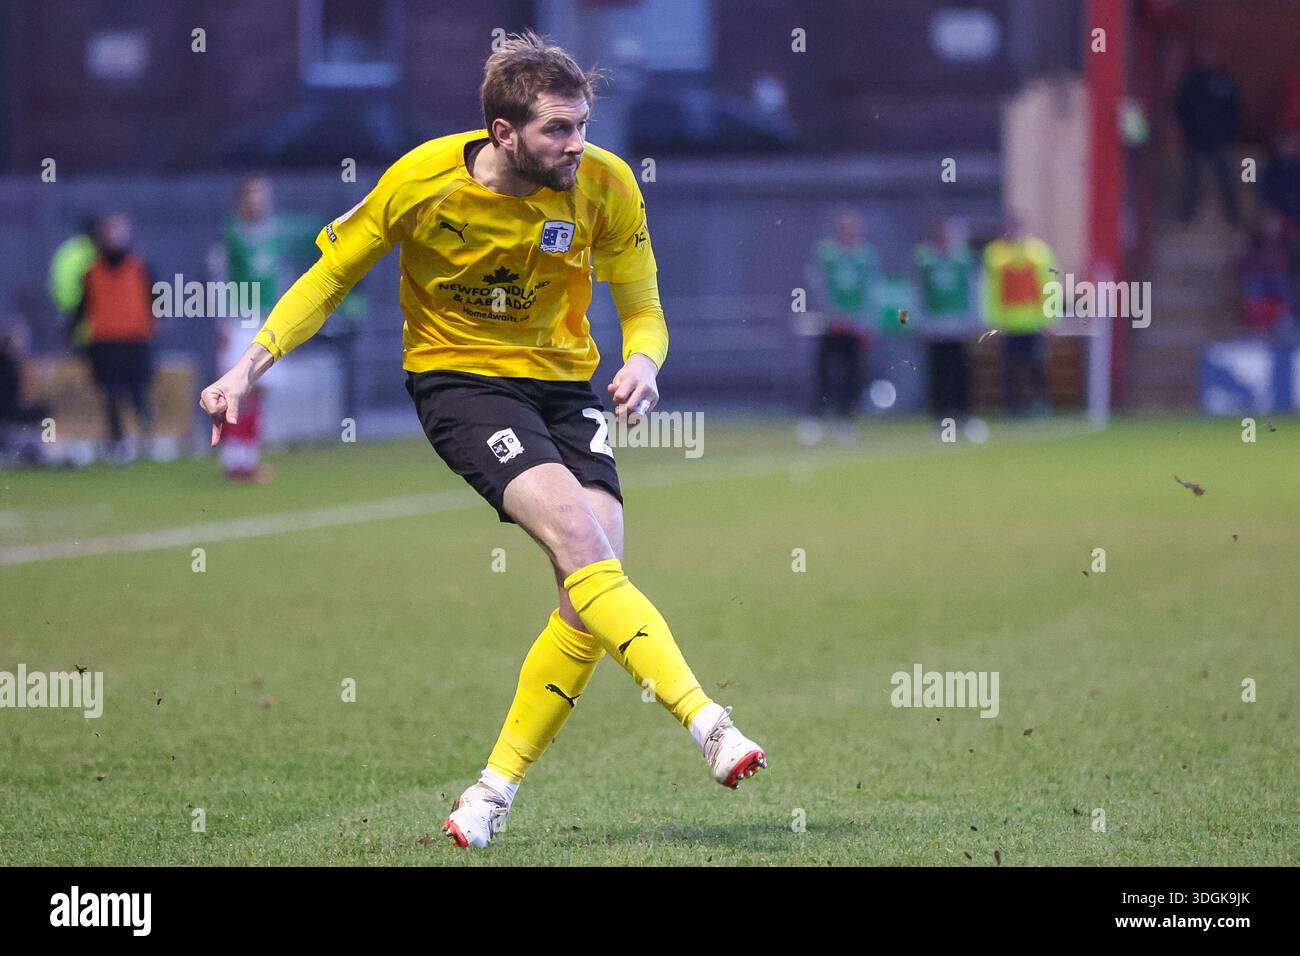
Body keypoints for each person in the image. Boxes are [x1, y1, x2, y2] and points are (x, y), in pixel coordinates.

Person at [198, 30, 766, 849]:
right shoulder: (419, 182)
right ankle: (707, 722)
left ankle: (491, 791)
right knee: (579, 536)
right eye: (558, 131)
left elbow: (643, 305)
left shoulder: (604, 187)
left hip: (565, 388)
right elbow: (329, 277)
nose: (578, 145)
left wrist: (644, 362)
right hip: (461, 383)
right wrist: (249, 367)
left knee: (591, 578)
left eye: (582, 126)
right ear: (504, 134)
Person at [217, 176, 289, 483]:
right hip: (242, 318)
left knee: (260, 390)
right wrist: (223, 322)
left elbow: (283, 277)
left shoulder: (276, 234)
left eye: (263, 194)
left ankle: (248, 457)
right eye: (253, 195)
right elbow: (219, 279)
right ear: (242, 201)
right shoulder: (232, 235)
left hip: (268, 319)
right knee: (240, 389)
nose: (259, 201)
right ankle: (235, 459)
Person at [78, 213, 158, 463]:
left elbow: (155, 299)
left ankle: (148, 441)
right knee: (111, 396)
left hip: (135, 340)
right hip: (105, 341)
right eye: (111, 232)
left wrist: (157, 320)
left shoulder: (140, 267)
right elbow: (83, 306)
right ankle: (118, 445)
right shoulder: (92, 272)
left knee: (139, 393)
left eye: (120, 232)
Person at [799, 209, 877, 443]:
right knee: (825, 372)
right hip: (831, 323)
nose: (849, 232)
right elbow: (816, 283)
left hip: (855, 326)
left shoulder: (866, 255)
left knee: (853, 375)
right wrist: (833, 314)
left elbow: (871, 289)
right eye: (845, 228)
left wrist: (864, 320)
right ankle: (816, 418)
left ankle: (846, 420)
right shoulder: (826, 253)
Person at [981, 216, 1057, 415]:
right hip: (1008, 323)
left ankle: (1040, 402)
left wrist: (1050, 320)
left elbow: (1049, 286)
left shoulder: (1038, 253)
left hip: (1034, 322)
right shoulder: (995, 255)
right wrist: (992, 323)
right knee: (1010, 369)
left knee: (1036, 365)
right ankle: (1013, 406)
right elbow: (991, 291)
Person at [914, 218, 977, 420]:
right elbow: (915, 293)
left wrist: (975, 320)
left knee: (960, 371)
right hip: (934, 325)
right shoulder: (924, 258)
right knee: (937, 372)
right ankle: (940, 415)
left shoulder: (962, 259)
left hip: (957, 325)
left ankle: (962, 413)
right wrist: (913, 321)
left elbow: (972, 291)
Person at [1175, 42, 1241, 225]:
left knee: (1227, 178)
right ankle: (1186, 217)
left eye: (1211, 52)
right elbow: (1180, 108)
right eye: (1204, 51)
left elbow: (1234, 108)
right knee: (1192, 180)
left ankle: (1234, 217)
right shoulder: (1190, 79)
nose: (1208, 56)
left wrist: (1229, 132)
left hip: (1220, 139)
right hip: (1195, 139)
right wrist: (1188, 131)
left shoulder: (1224, 79)